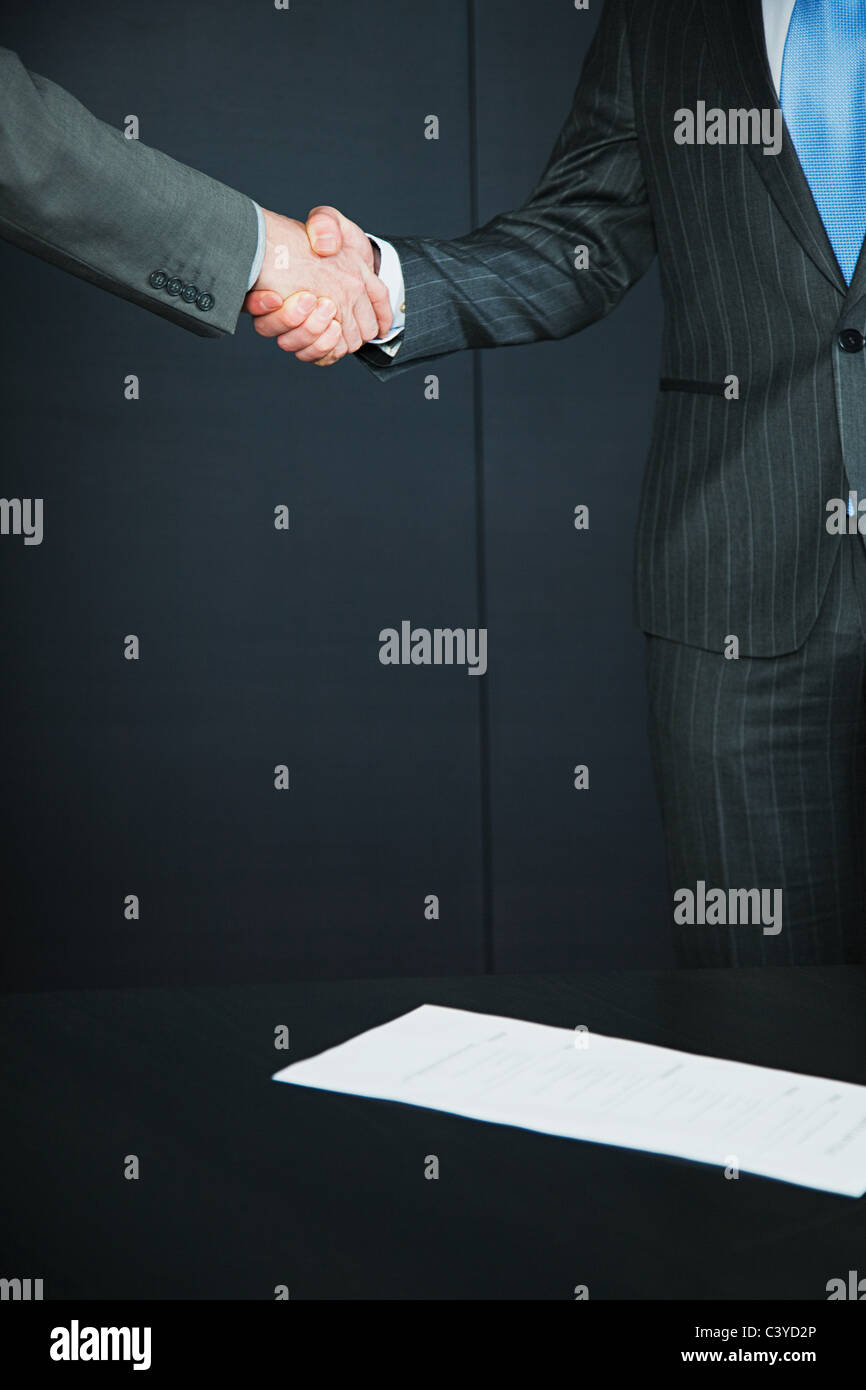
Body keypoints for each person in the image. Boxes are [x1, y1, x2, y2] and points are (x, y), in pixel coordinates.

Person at [249, 0, 866, 969]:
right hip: (736, 595)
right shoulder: (662, 19)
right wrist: (379, 284)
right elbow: (577, 243)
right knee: (762, 1028)